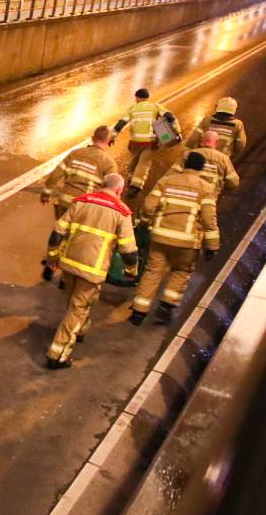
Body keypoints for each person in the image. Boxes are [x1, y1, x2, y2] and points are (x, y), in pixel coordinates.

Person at [44, 174, 139, 369]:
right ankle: (57, 354)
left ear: (101, 185)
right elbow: (129, 250)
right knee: (77, 308)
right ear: (119, 191)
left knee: (75, 303)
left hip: (69, 262)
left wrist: (52, 257)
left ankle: (80, 329)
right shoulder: (122, 213)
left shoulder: (81, 202)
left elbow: (57, 232)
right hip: (93, 270)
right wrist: (132, 270)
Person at [129, 152, 220, 326]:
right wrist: (211, 246)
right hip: (187, 243)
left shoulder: (166, 181)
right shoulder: (205, 188)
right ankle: (165, 307)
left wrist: (145, 223)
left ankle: (138, 312)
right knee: (181, 271)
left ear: (185, 164)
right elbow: (209, 219)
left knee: (152, 271)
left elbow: (148, 206)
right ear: (201, 168)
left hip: (160, 236)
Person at [40, 126, 119, 280]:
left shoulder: (75, 153)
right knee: (75, 240)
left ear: (92, 137)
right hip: (85, 206)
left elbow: (55, 175)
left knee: (60, 233)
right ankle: (64, 279)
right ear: (109, 141)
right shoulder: (109, 163)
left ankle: (51, 264)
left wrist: (46, 194)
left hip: (64, 202)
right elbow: (111, 190)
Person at [111, 88, 175, 199]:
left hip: (135, 142)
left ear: (137, 97)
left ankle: (132, 179)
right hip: (150, 142)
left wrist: (112, 137)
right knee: (143, 163)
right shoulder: (156, 106)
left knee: (134, 162)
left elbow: (121, 123)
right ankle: (136, 187)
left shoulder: (132, 108)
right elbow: (170, 116)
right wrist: (173, 132)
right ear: (147, 98)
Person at [162, 130, 239, 199]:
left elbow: (171, 174)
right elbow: (234, 183)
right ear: (216, 143)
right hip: (209, 197)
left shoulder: (188, 154)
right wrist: (220, 186)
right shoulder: (224, 159)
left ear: (202, 141)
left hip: (188, 194)